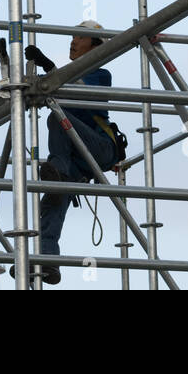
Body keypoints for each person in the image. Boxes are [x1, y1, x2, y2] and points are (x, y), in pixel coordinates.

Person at [20, 19, 119, 285]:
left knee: (57, 120)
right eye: (72, 37)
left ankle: (58, 172)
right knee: (51, 205)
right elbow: (42, 89)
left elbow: (82, 94)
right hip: (76, 159)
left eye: (79, 37)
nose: (73, 41)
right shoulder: (66, 75)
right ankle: (48, 262)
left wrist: (51, 69)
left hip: (99, 148)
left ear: (95, 44)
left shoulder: (100, 73)